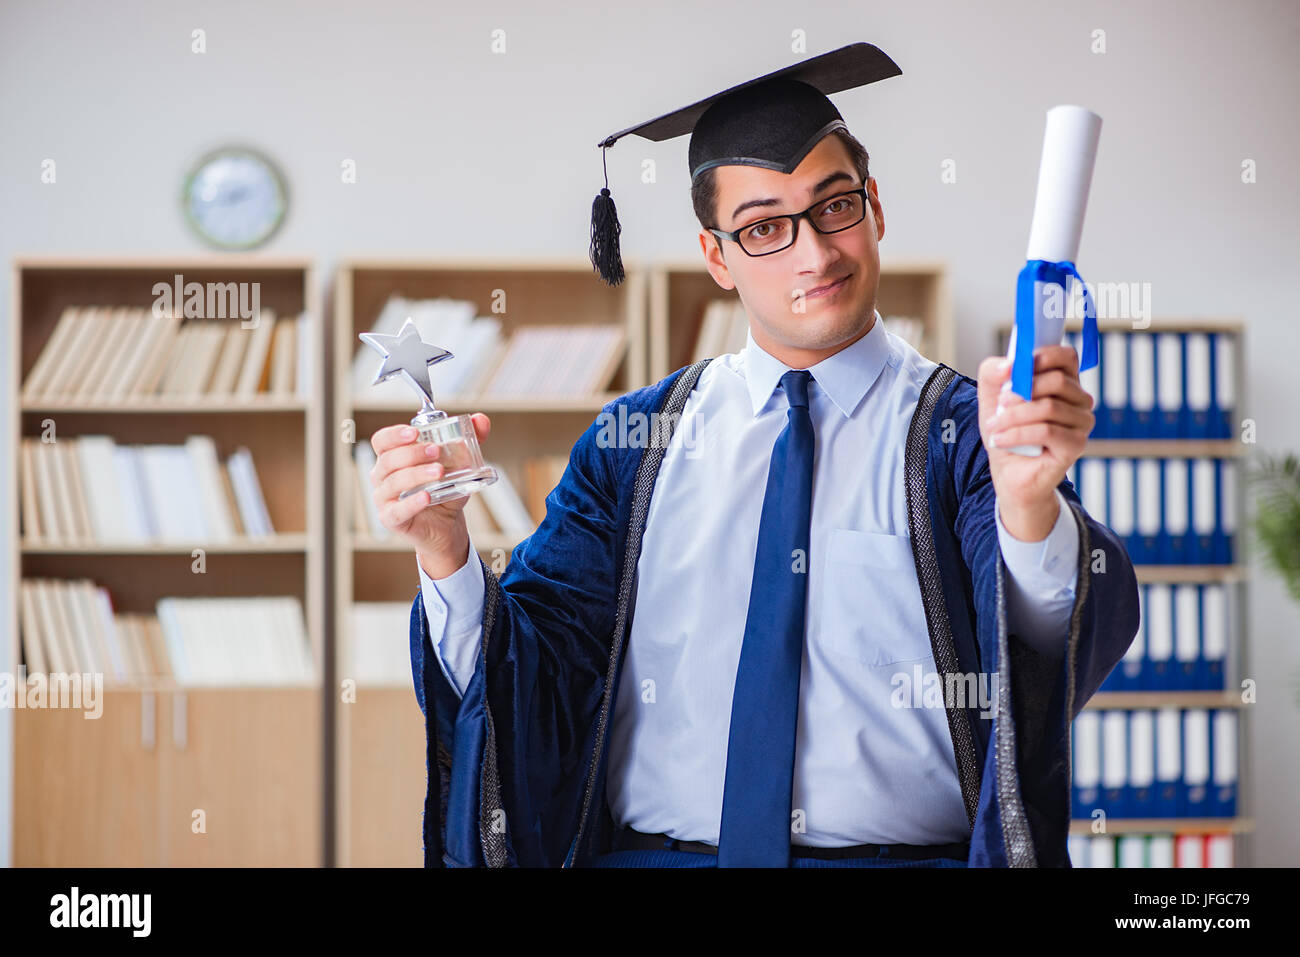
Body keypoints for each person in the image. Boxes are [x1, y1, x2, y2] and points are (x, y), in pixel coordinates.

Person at [368, 42, 1139, 868]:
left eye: (835, 206)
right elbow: (532, 681)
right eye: (766, 227)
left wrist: (1028, 502)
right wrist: (445, 550)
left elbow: (1044, 640)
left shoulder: (961, 432)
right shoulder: (635, 447)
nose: (815, 254)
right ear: (717, 258)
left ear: (875, 206)